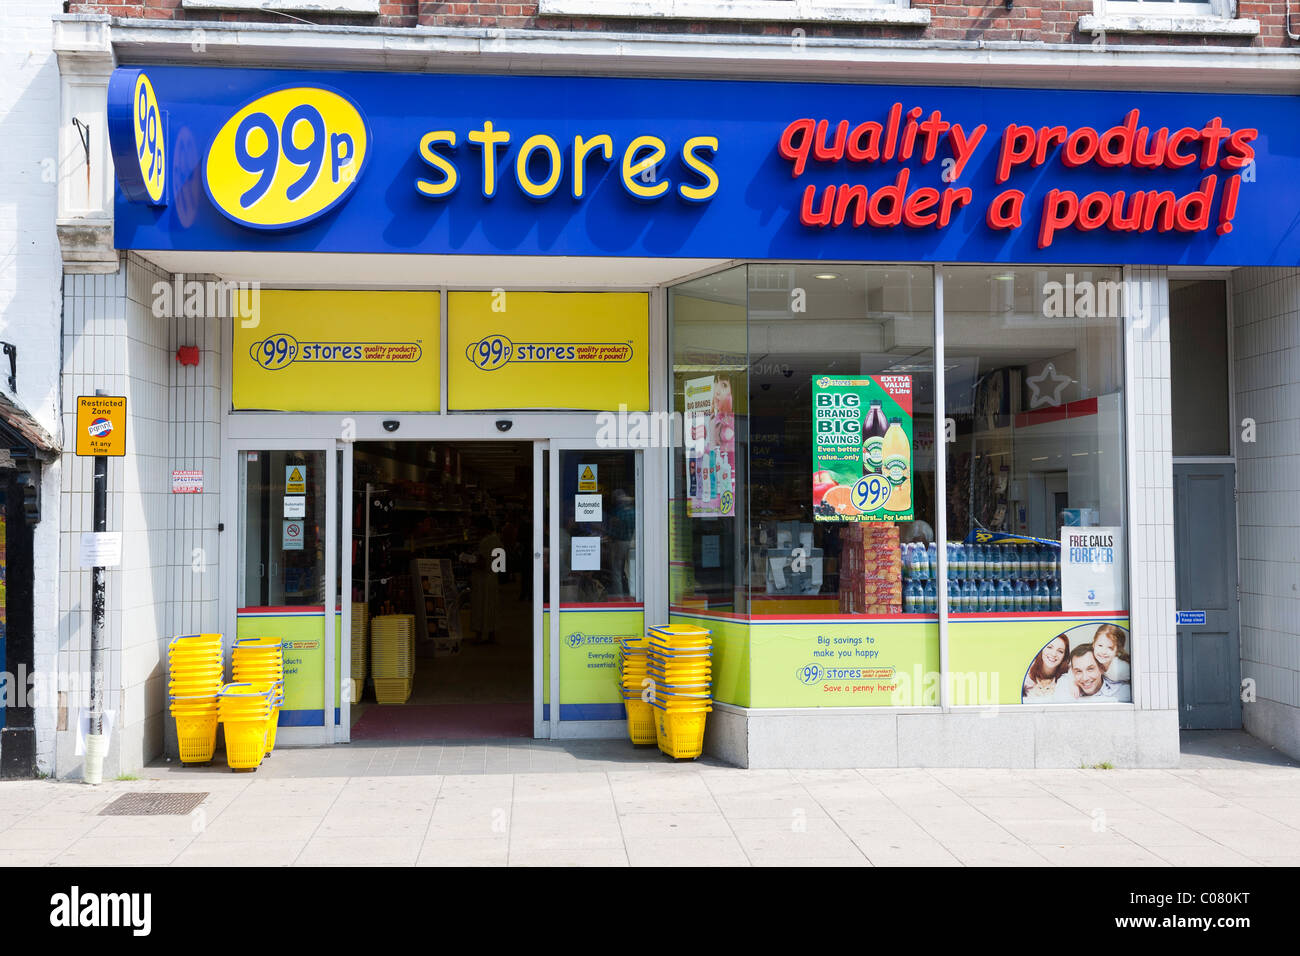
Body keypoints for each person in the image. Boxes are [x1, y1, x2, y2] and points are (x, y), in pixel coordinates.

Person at [1053, 644, 1132, 702]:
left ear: (1101, 668)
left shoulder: (1121, 691)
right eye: (1078, 671)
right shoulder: (1065, 683)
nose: (1085, 678)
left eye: (1090, 669)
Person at [469, 515, 502, 644]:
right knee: (492, 607)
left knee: (480, 607)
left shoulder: (484, 542)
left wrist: (470, 562)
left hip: (482, 579)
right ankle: (492, 635)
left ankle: (478, 636)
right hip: (493, 578)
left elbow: (481, 564)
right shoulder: (498, 540)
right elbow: (501, 565)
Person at [1023, 634, 1070, 701]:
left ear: (1064, 656)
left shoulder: (1068, 675)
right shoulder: (1026, 672)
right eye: (1050, 647)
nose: (1054, 654)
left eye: (1060, 651)